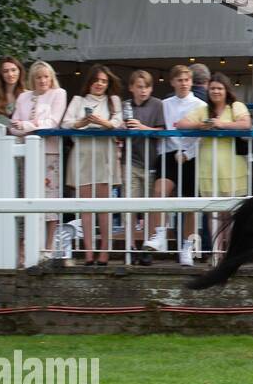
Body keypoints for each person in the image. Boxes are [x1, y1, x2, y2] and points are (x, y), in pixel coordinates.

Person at [178, 73, 251, 260]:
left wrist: (221, 124)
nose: (216, 92)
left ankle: (229, 253)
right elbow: (181, 124)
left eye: (219, 88)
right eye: (212, 89)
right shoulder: (204, 109)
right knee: (213, 212)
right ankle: (217, 253)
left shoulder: (235, 106)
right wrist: (202, 125)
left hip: (232, 167)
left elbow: (246, 124)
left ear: (226, 90)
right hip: (208, 168)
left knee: (230, 212)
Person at [143, 65, 206, 266]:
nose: (183, 83)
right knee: (160, 192)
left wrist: (188, 154)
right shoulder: (165, 104)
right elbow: (161, 129)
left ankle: (187, 248)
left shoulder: (200, 104)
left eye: (186, 80)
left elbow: (202, 136)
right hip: (168, 154)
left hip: (191, 156)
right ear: (172, 82)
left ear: (191, 82)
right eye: (179, 80)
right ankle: (159, 234)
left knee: (189, 204)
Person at [64, 65, 123, 266]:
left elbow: (118, 122)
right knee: (85, 207)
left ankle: (104, 252)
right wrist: (81, 123)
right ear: (89, 81)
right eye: (97, 80)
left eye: (104, 81)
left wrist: (103, 122)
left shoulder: (113, 101)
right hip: (82, 155)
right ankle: (89, 252)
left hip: (104, 154)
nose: (100, 84)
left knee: (104, 207)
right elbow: (65, 123)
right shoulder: (78, 100)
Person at [10, 61, 68, 259]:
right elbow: (12, 127)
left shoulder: (58, 94)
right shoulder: (23, 97)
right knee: (27, 197)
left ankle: (48, 247)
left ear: (51, 77)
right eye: (38, 77)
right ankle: (24, 249)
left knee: (50, 198)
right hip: (28, 153)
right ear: (32, 79)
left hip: (49, 152)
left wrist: (26, 125)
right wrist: (32, 125)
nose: (43, 80)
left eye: (46, 76)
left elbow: (52, 123)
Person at [121, 70, 167, 265]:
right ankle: (130, 246)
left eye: (146, 87)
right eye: (139, 87)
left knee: (149, 207)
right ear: (131, 88)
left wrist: (142, 128)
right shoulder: (126, 106)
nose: (143, 91)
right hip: (129, 160)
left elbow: (162, 131)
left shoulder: (157, 104)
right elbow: (119, 131)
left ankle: (146, 247)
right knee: (129, 205)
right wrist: (121, 129)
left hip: (150, 162)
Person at [0, 56, 26, 128]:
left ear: (20, 71)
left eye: (13, 70)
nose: (10, 74)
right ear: (1, 74)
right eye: (5, 71)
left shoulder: (27, 95)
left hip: (24, 137)